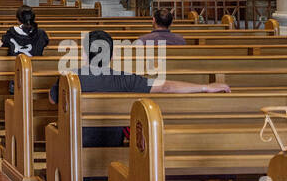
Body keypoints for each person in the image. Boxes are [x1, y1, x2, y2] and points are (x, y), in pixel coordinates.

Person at [48, 30, 230, 146]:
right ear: (111, 56)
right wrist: (205, 87)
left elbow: (53, 100)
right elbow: (165, 87)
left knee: (51, 128)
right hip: (113, 142)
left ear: (85, 54)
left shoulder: (69, 77)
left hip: (76, 142)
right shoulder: (125, 79)